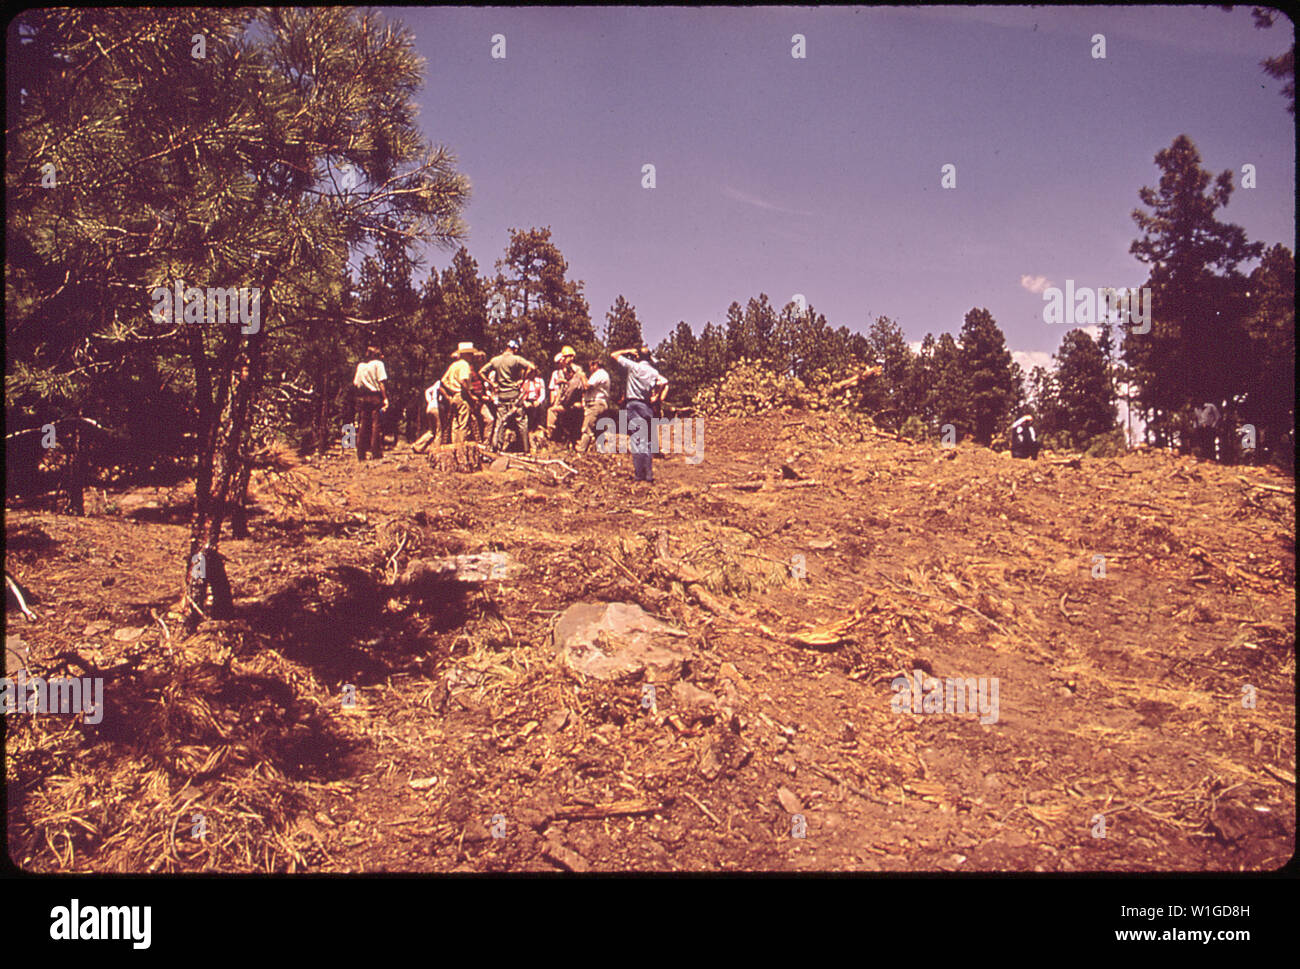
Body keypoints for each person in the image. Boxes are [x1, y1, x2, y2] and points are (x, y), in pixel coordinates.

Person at [611, 345, 668, 483]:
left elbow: (614, 355)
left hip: (632, 405)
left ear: (638, 357)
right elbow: (664, 382)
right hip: (646, 405)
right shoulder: (653, 372)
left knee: (637, 440)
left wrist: (626, 351)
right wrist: (658, 397)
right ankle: (648, 475)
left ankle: (638, 475)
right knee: (647, 441)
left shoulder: (633, 366)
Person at [485, 339, 536, 453]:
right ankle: (526, 449)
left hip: (502, 395)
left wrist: (492, 383)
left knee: (501, 422)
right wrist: (522, 380)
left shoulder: (495, 360)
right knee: (522, 422)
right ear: (515, 349)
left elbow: (481, 372)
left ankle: (496, 448)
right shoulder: (516, 359)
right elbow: (532, 367)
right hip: (514, 395)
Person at [352, 344, 389, 461]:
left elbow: (356, 384)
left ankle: (361, 453)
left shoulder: (361, 366)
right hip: (375, 396)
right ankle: (375, 451)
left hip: (363, 396)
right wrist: (385, 398)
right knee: (376, 424)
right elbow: (381, 383)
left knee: (363, 424)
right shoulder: (379, 364)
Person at [440, 342, 479, 444]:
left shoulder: (453, 365)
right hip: (462, 397)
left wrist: (451, 390)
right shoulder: (464, 365)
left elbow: (444, 380)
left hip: (454, 397)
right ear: (465, 354)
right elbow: (463, 380)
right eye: (470, 354)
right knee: (463, 424)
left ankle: (455, 448)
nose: (472, 356)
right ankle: (460, 448)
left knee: (455, 424)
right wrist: (470, 395)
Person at [546, 346, 582, 446]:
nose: (563, 359)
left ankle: (553, 437)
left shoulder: (577, 370)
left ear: (571, 357)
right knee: (554, 412)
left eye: (565, 357)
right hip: (565, 400)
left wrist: (563, 404)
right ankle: (555, 437)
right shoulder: (563, 371)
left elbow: (573, 388)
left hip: (571, 401)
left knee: (552, 412)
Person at [577, 358, 612, 453]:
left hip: (595, 403)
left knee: (587, 428)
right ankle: (600, 451)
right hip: (601, 403)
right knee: (599, 430)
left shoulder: (599, 374)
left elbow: (587, 386)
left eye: (591, 366)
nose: (589, 368)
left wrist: (582, 376)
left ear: (595, 365)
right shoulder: (604, 374)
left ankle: (581, 450)